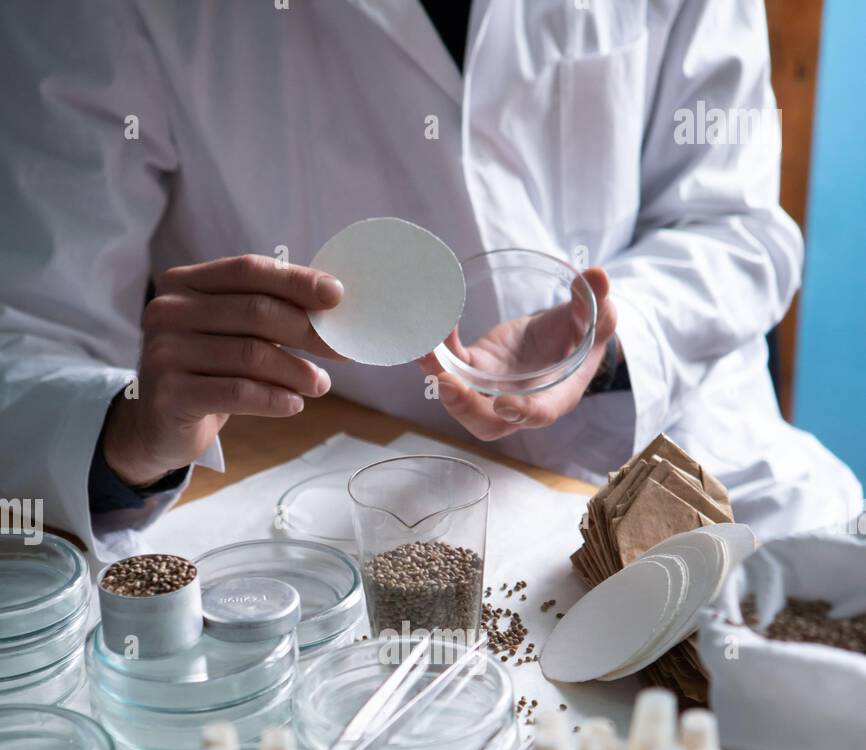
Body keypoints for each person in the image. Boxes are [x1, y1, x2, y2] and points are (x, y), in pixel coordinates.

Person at [0, 0, 860, 558]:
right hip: (357, 516)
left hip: (701, 466)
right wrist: (132, 439)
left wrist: (608, 337)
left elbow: (738, 225)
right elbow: (26, 334)